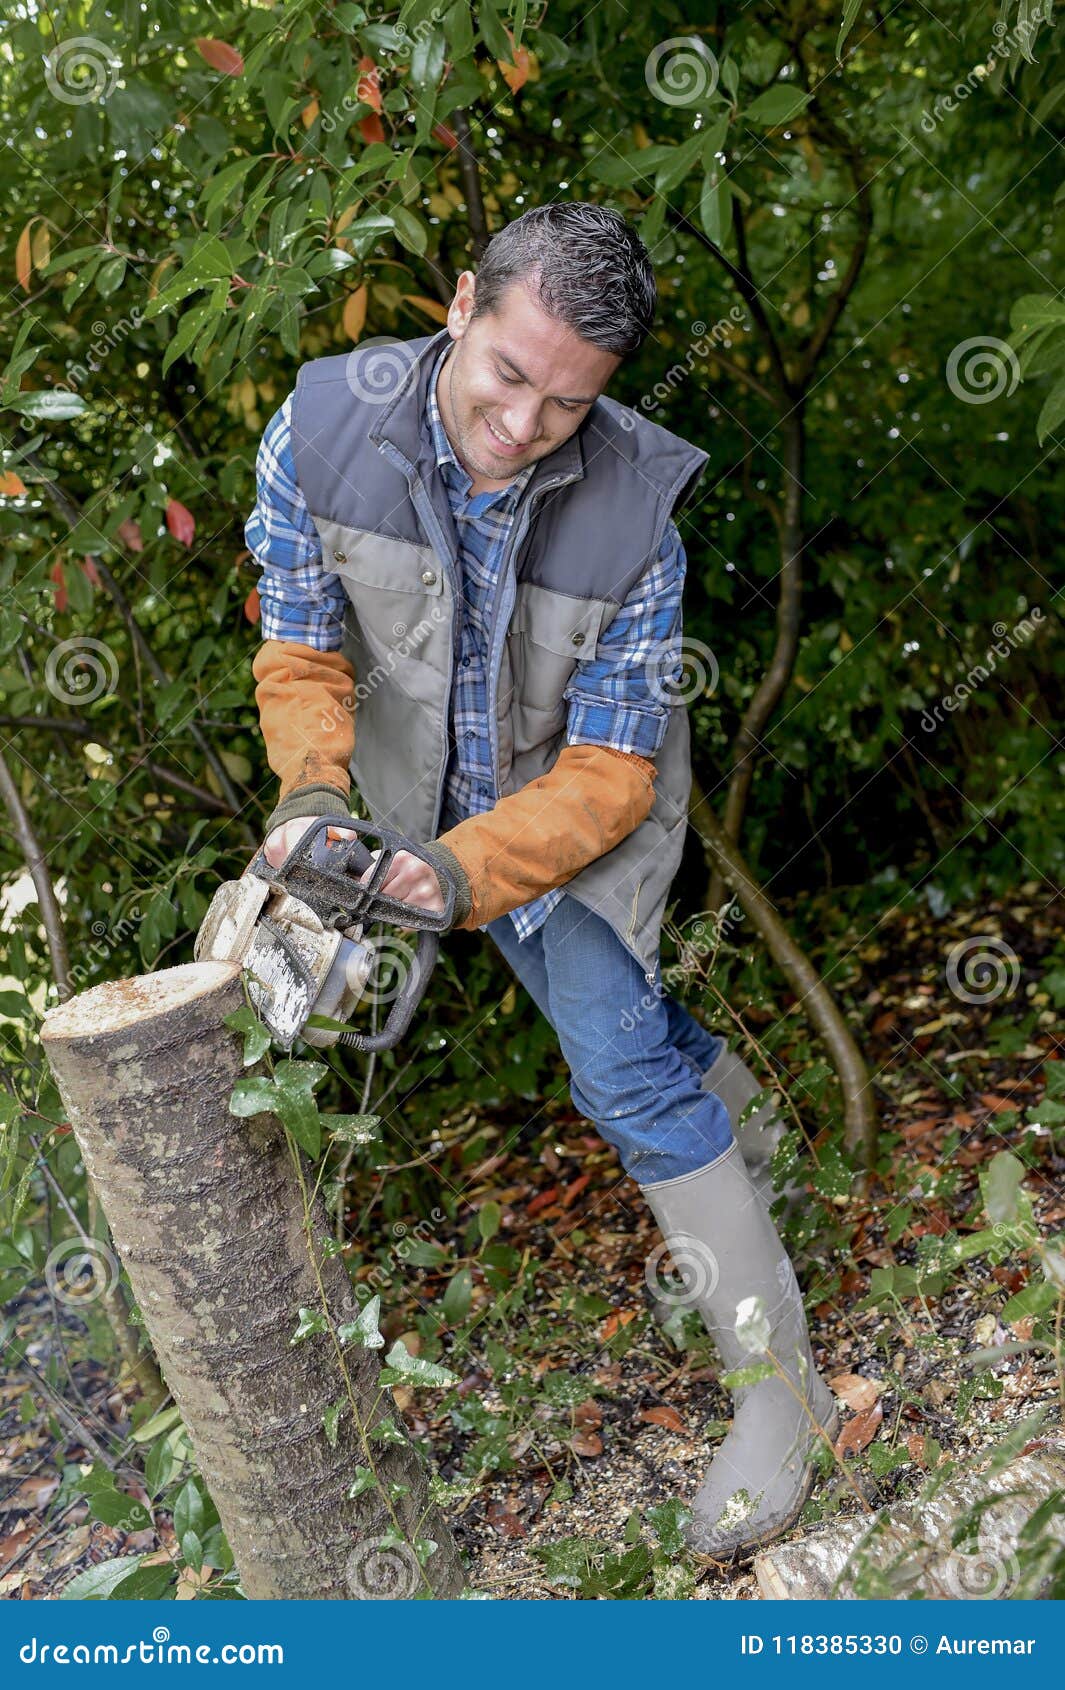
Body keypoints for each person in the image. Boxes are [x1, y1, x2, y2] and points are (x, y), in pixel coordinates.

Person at [245, 201, 837, 1557]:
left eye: (567, 405)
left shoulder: (637, 510)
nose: (522, 425)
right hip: (408, 804)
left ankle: (776, 1390)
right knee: (629, 1036)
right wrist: (315, 796)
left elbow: (611, 773)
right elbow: (300, 650)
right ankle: (757, 1160)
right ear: (460, 303)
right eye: (508, 376)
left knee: (619, 1063)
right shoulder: (320, 429)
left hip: (571, 817)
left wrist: (451, 880)